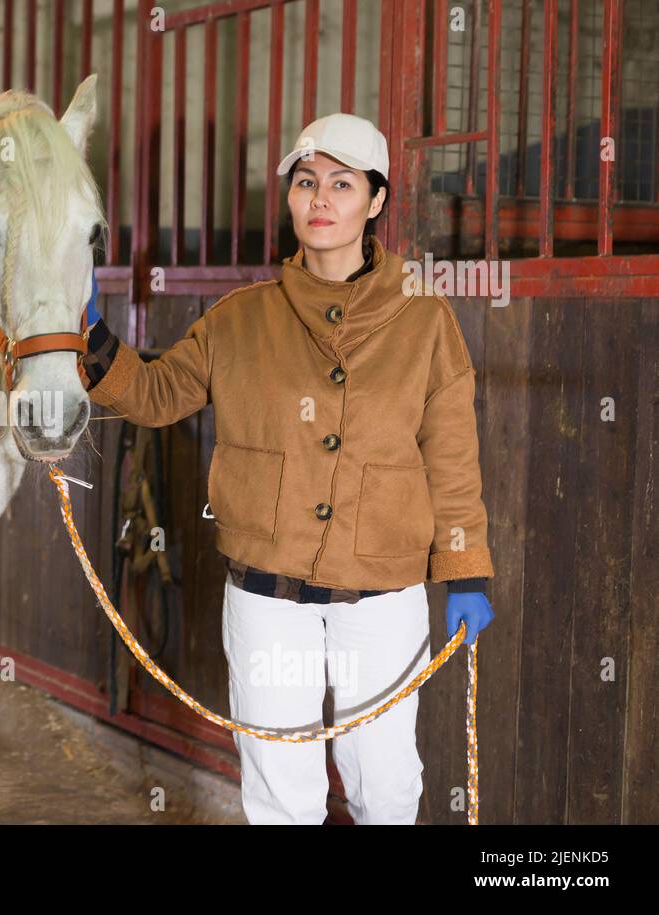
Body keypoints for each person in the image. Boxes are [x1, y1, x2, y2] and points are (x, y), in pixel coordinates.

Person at [78, 113, 495, 825]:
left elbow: (452, 457)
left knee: (388, 786)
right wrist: (90, 336)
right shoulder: (238, 319)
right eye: (307, 182)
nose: (321, 198)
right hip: (268, 600)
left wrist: (466, 571)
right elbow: (154, 395)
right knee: (281, 793)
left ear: (377, 200)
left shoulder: (426, 321)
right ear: (291, 197)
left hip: (384, 596)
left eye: (341, 182)